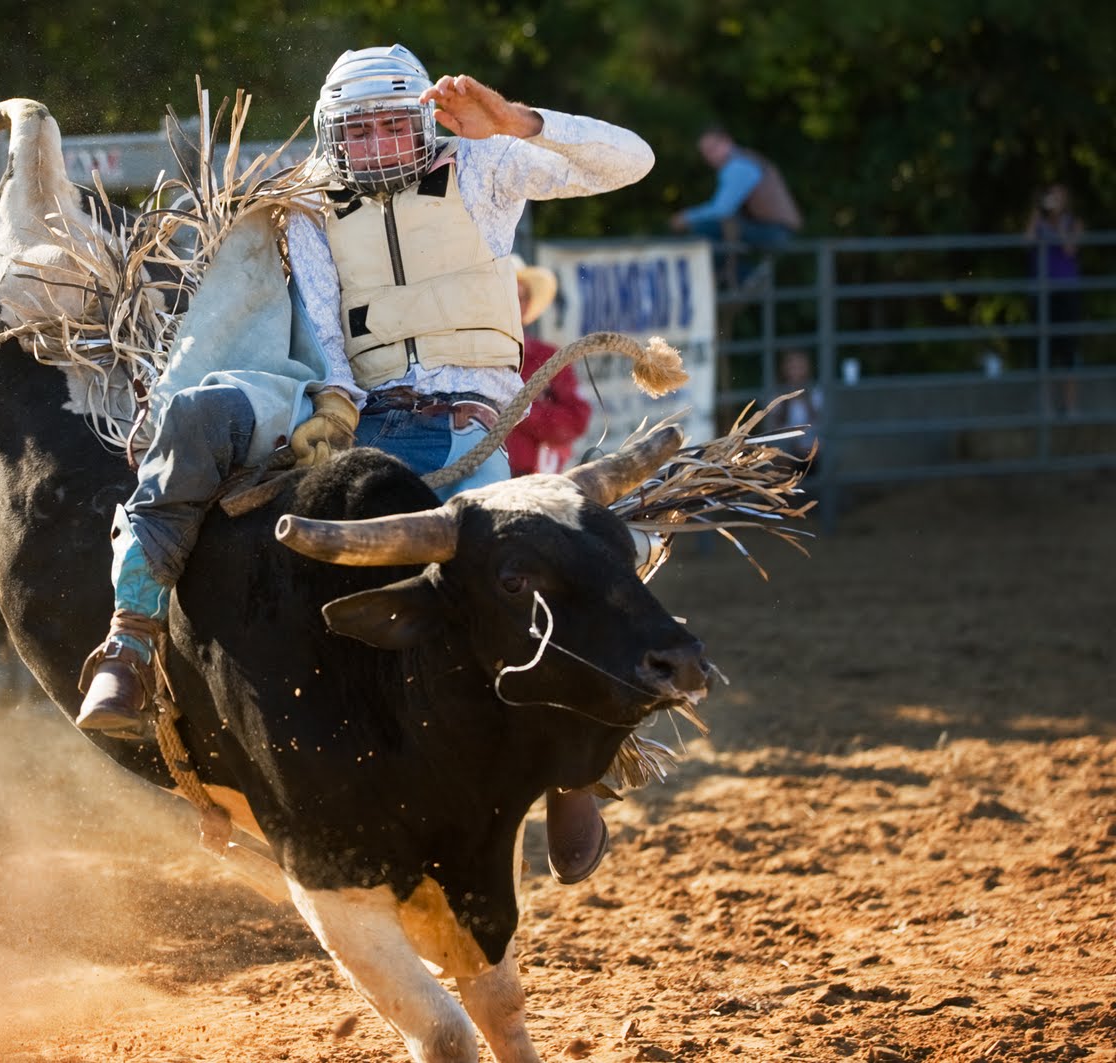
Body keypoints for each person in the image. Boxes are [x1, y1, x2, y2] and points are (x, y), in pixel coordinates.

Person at [77, 43, 655, 884]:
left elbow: (630, 161)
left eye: (394, 122)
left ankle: (581, 765)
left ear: (424, 119)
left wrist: (518, 121)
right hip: (372, 419)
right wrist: (336, 408)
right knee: (272, 525)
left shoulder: (485, 166)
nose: (380, 141)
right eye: (362, 128)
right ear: (334, 134)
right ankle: (146, 657)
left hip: (473, 420)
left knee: (552, 564)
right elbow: (324, 323)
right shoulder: (309, 206)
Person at [670, 125, 801, 288]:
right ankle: (732, 278)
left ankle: (737, 277)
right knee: (716, 229)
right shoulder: (745, 161)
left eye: (712, 149)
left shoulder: (738, 166)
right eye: (705, 153)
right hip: (776, 230)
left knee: (706, 228)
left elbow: (722, 209)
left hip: (773, 231)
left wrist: (686, 217)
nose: (709, 157)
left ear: (727, 142)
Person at [505, 256, 593, 476]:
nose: (514, 305)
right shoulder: (468, 357)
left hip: (532, 478)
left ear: (526, 305)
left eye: (519, 297)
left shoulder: (546, 357)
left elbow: (576, 420)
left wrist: (518, 409)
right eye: (507, 298)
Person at [1024, 182, 1084, 412]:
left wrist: (1057, 223)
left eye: (1059, 197)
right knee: (1043, 351)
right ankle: (1045, 409)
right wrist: (1036, 215)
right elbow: (1026, 242)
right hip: (1041, 291)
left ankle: (1070, 407)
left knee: (1068, 350)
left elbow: (1070, 248)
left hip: (1066, 291)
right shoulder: (1037, 220)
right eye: (1051, 196)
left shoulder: (1074, 222)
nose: (1054, 201)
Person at [765, 349, 821, 467]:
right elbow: (772, 428)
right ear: (784, 369)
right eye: (792, 366)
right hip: (786, 450)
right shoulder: (777, 396)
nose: (796, 371)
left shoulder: (816, 394)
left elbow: (820, 423)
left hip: (812, 448)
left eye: (800, 366)